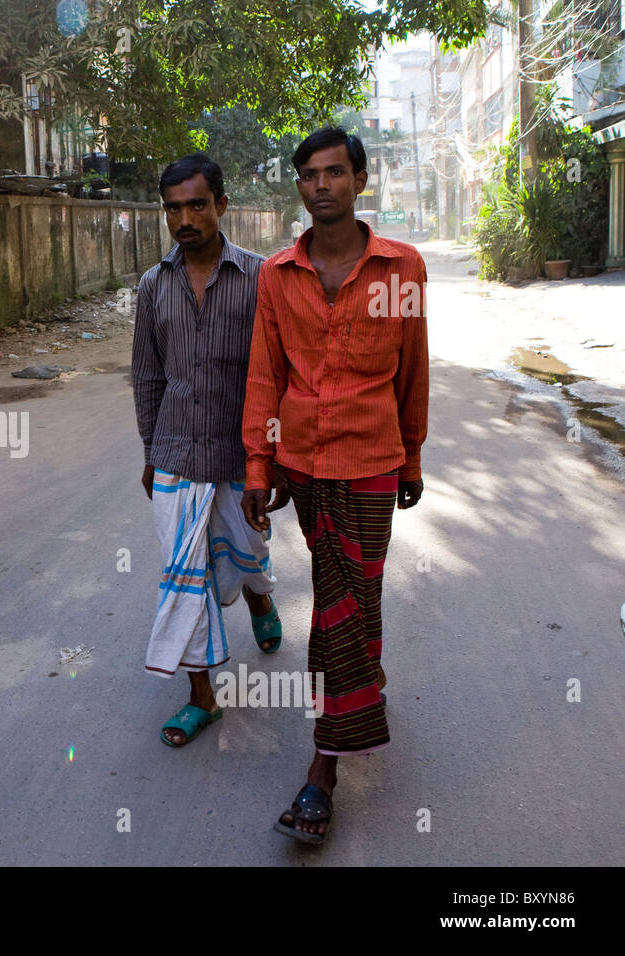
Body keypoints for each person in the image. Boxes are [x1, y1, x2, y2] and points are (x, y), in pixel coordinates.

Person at [241, 127, 428, 844]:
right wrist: (260, 465)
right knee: (342, 595)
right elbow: (266, 376)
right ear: (300, 186)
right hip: (307, 468)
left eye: (334, 173)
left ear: (359, 180)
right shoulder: (277, 275)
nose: (321, 185)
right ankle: (361, 690)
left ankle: (323, 769)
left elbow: (413, 369)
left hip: (373, 461)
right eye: (309, 175)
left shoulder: (401, 269)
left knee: (344, 604)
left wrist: (411, 458)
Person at [131, 153, 283, 747]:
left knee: (246, 550)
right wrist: (150, 450)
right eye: (173, 208)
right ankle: (201, 696)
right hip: (174, 457)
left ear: (221, 204)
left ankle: (259, 597)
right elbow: (147, 378)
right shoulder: (152, 286)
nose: (185, 218)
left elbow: (278, 378)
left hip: (238, 459)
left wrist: (269, 462)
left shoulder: (260, 279)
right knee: (183, 576)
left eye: (197, 204)